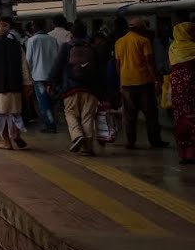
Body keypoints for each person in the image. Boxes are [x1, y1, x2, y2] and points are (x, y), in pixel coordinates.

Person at [115, 18, 169, 149]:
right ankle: (155, 141)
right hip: (143, 82)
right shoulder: (144, 41)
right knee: (150, 113)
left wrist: (121, 80)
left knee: (129, 114)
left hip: (126, 83)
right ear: (140, 29)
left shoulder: (119, 42)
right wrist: (156, 80)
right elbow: (149, 63)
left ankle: (131, 141)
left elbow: (118, 64)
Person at [52, 22, 103, 156]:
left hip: (70, 88)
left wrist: (53, 83)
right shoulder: (92, 49)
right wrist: (102, 92)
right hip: (90, 89)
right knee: (87, 117)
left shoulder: (66, 47)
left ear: (71, 33)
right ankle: (87, 148)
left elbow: (57, 67)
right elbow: (100, 70)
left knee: (70, 113)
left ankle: (77, 135)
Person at [0, 20, 33, 150]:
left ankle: (6, 142)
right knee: (16, 112)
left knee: (1, 115)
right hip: (16, 84)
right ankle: (16, 135)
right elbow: (24, 65)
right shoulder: (16, 45)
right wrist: (27, 83)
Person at [167, 20, 195, 164]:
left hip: (177, 87)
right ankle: (192, 154)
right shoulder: (192, 47)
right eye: (192, 31)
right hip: (191, 87)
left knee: (181, 120)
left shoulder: (173, 48)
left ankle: (183, 154)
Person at [26, 21, 60, 133]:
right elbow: (57, 58)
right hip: (52, 76)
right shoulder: (53, 40)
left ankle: (50, 125)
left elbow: (28, 61)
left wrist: (28, 77)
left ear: (35, 27)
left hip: (38, 76)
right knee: (52, 100)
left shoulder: (32, 40)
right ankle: (53, 121)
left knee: (43, 102)